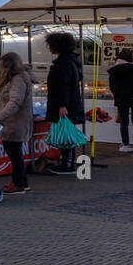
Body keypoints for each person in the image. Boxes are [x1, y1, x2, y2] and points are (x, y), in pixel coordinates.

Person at [0, 52, 33, 193]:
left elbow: (14, 102)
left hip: (14, 123)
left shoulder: (18, 79)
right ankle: (21, 182)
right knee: (15, 153)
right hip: (13, 122)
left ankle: (19, 183)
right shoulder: (17, 78)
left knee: (15, 153)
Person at [45, 31, 85, 175]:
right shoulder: (71, 61)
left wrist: (62, 105)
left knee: (66, 135)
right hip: (70, 103)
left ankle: (67, 164)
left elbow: (64, 85)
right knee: (65, 133)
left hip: (65, 105)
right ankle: (65, 162)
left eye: (50, 45)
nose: (48, 48)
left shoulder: (63, 63)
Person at [109, 48, 133, 154]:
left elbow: (112, 87)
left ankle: (126, 145)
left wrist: (117, 95)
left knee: (124, 122)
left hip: (121, 98)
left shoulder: (114, 70)